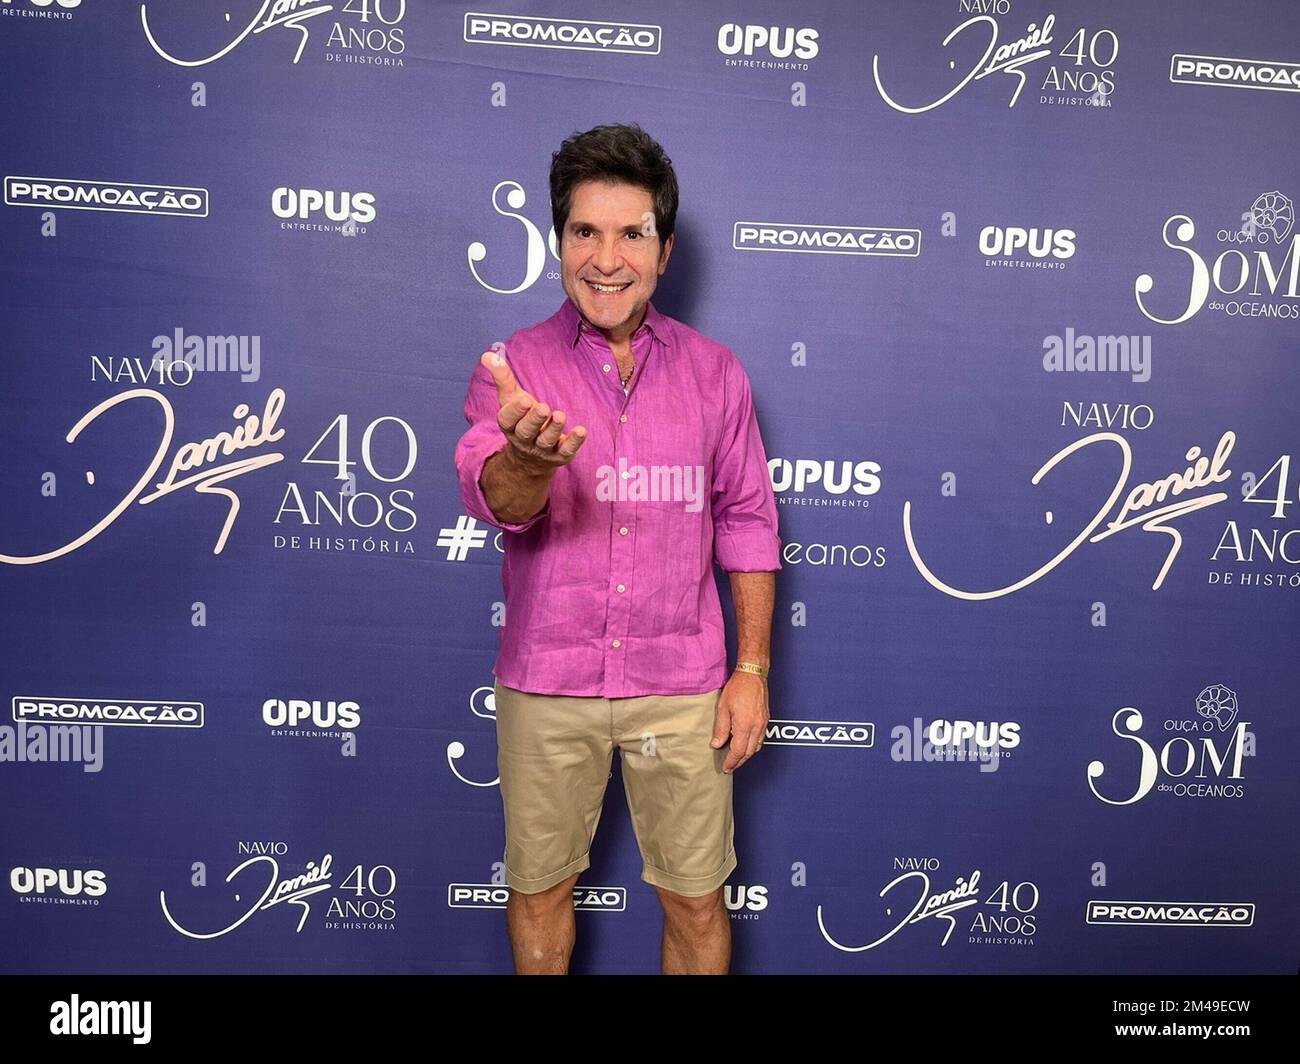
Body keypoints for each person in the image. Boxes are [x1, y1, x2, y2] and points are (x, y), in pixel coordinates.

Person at [454, 123, 781, 975]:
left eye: (631, 233)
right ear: (558, 241)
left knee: (696, 898)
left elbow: (747, 518)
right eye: (584, 232)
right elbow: (500, 502)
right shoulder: (513, 368)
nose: (607, 257)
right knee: (538, 892)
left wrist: (751, 670)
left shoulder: (717, 373)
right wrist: (527, 460)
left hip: (683, 684)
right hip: (549, 676)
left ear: (663, 250)